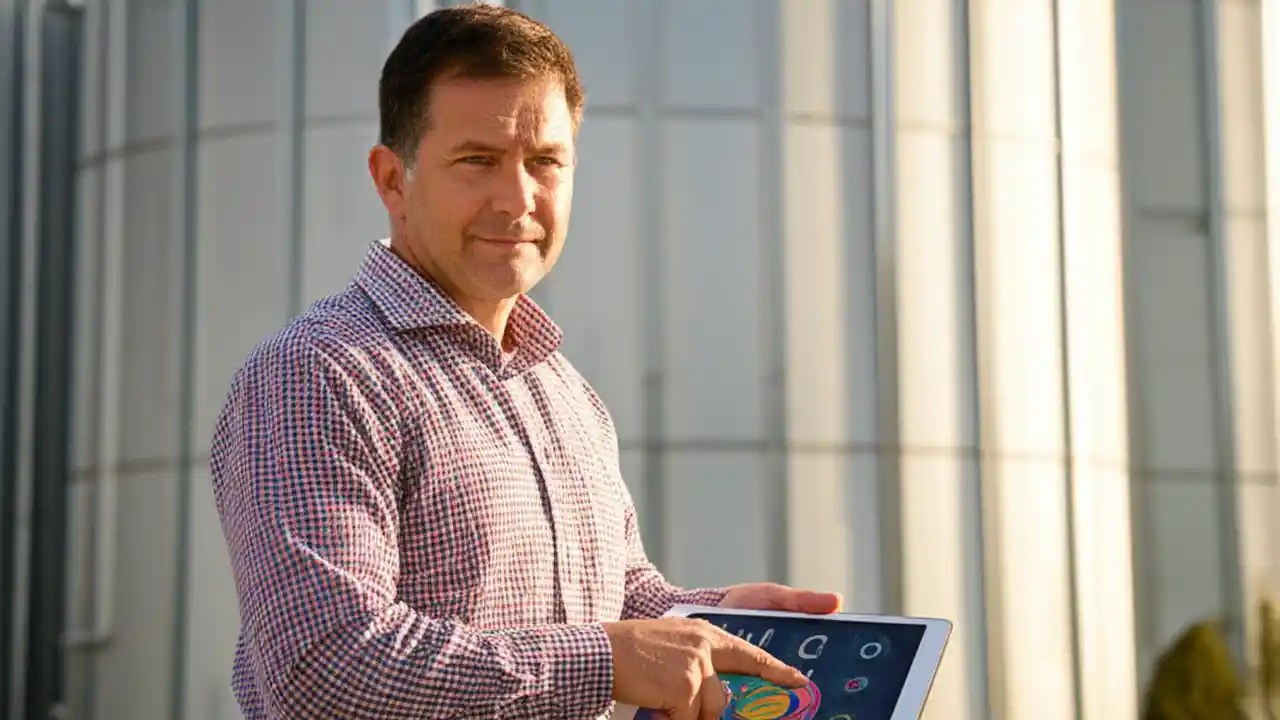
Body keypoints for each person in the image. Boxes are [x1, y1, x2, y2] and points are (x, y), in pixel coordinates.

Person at [209, 5, 841, 719]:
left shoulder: (563, 389)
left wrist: (712, 620)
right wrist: (608, 662)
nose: (518, 200)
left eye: (545, 162)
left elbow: (616, 596)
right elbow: (325, 665)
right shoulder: (318, 375)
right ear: (392, 179)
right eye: (477, 161)